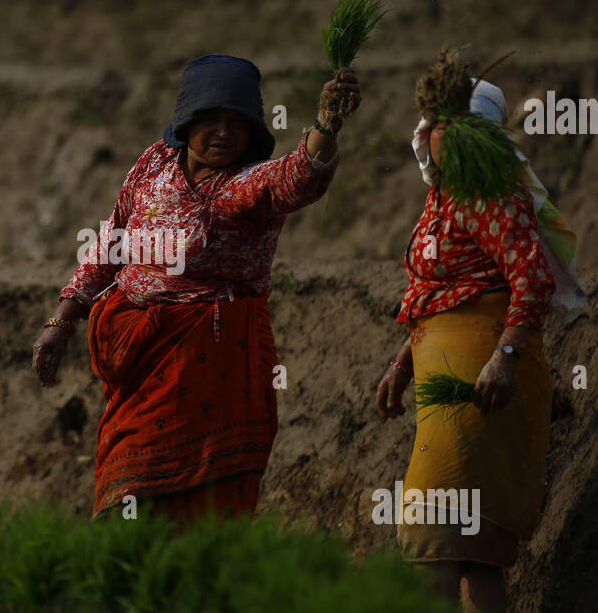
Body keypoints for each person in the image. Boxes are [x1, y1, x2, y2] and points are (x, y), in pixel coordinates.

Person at [32, 53, 360, 525]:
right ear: (186, 122)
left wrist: (325, 126)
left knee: (196, 517)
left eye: (236, 123)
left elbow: (299, 177)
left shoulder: (247, 187)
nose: (224, 132)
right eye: (210, 120)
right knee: (125, 500)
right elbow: (112, 239)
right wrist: (61, 320)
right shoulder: (154, 165)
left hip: (210, 364)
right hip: (139, 366)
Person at [376, 75, 584, 613]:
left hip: (482, 380)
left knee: (445, 528)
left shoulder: (489, 195)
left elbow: (531, 277)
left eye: (447, 126)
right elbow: (429, 291)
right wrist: (402, 364)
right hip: (442, 371)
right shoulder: (442, 197)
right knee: (455, 534)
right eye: (432, 126)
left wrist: (506, 356)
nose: (434, 136)